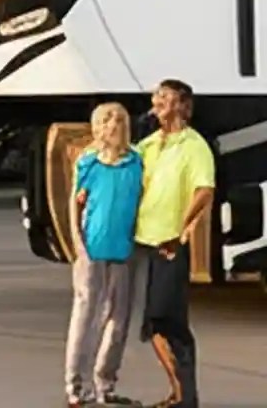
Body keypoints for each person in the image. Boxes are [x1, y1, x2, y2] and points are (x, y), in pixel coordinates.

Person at [134, 79, 216, 408]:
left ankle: (188, 396)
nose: (158, 101)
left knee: (170, 319)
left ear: (184, 106)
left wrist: (181, 231)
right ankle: (179, 393)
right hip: (140, 242)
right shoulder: (148, 145)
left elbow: (204, 190)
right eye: (157, 96)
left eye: (167, 97)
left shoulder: (194, 146)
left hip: (169, 243)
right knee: (151, 322)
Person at [64, 102, 145, 407]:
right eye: (108, 121)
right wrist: (77, 245)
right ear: (98, 127)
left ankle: (105, 384)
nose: (114, 126)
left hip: (123, 250)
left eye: (120, 120)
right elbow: (76, 204)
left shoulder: (137, 162)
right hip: (92, 250)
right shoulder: (88, 163)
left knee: (119, 320)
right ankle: (76, 386)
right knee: (85, 316)